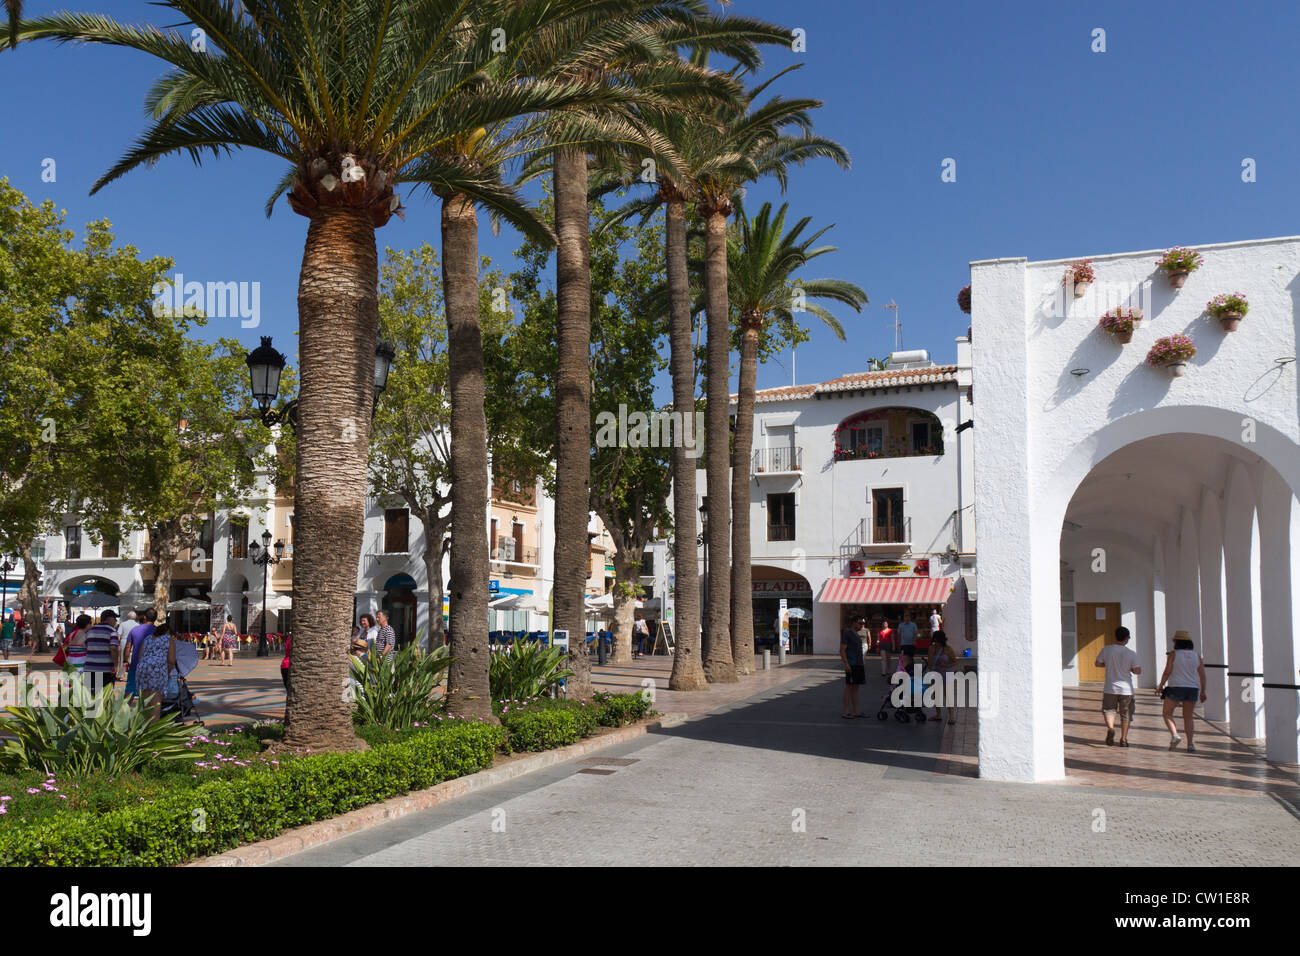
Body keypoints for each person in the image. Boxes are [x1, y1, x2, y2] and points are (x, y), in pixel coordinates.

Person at [1157, 630, 1207, 752]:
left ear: (1177, 641)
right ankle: (1190, 744)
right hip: (1192, 689)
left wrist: (1161, 685)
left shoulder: (1174, 654)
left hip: (1176, 687)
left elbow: (1167, 671)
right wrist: (1203, 691)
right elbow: (1202, 675)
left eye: (1174, 640)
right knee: (1188, 717)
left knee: (1167, 713)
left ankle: (1175, 735)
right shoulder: (1197, 655)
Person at [1096, 626, 1141, 747]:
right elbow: (1137, 671)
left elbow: (1097, 663)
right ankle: (1124, 739)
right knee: (1126, 714)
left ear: (1116, 637)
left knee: (1109, 710)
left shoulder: (1107, 650)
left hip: (1110, 687)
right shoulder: (1131, 653)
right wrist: (1130, 668)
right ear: (1127, 638)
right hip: (1126, 689)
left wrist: (1108, 665)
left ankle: (1111, 728)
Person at [135, 623, 177, 722]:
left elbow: (140, 656)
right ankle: (153, 729)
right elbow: (171, 660)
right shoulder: (168, 639)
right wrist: (167, 673)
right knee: (155, 702)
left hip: (142, 669)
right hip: (158, 670)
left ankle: (143, 727)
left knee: (145, 701)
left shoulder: (147, 639)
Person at [83, 609, 122, 696]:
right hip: (105, 669)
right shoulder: (112, 631)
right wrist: (115, 665)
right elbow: (113, 648)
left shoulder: (90, 631)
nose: (116, 620)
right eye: (114, 618)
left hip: (90, 667)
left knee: (91, 696)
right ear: (108, 619)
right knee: (105, 696)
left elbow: (85, 647)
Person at [122, 608, 158, 698]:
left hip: (136, 664)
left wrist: (126, 660)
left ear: (144, 617)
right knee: (150, 694)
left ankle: (124, 710)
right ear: (155, 618)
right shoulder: (159, 631)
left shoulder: (135, 630)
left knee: (130, 691)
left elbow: (127, 647)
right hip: (153, 666)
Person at [926, 630, 959, 724]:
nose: (935, 642)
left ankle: (952, 716)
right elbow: (930, 662)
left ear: (941, 640)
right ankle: (938, 714)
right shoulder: (932, 648)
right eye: (934, 640)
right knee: (936, 695)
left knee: (947, 694)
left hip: (947, 673)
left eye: (937, 640)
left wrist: (945, 665)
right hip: (936, 673)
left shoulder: (948, 649)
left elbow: (954, 661)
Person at [839, 615, 867, 718]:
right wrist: (846, 664)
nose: (862, 625)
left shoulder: (857, 634)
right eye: (860, 623)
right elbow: (842, 650)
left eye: (863, 623)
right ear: (854, 623)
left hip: (859, 664)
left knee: (855, 689)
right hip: (852, 664)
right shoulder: (847, 633)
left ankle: (856, 711)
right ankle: (846, 712)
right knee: (848, 688)